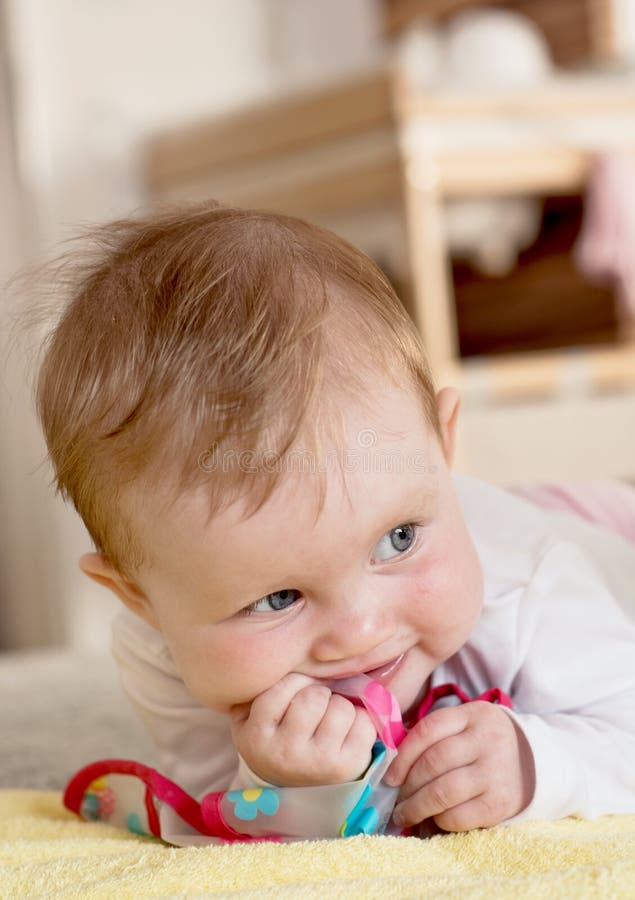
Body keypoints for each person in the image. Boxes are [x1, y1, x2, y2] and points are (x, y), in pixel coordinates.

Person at [34, 201, 635, 843]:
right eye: (277, 598)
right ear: (140, 597)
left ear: (443, 445)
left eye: (398, 539)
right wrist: (283, 784)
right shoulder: (161, 651)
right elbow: (209, 800)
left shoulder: (533, 587)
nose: (361, 632)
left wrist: (542, 764)